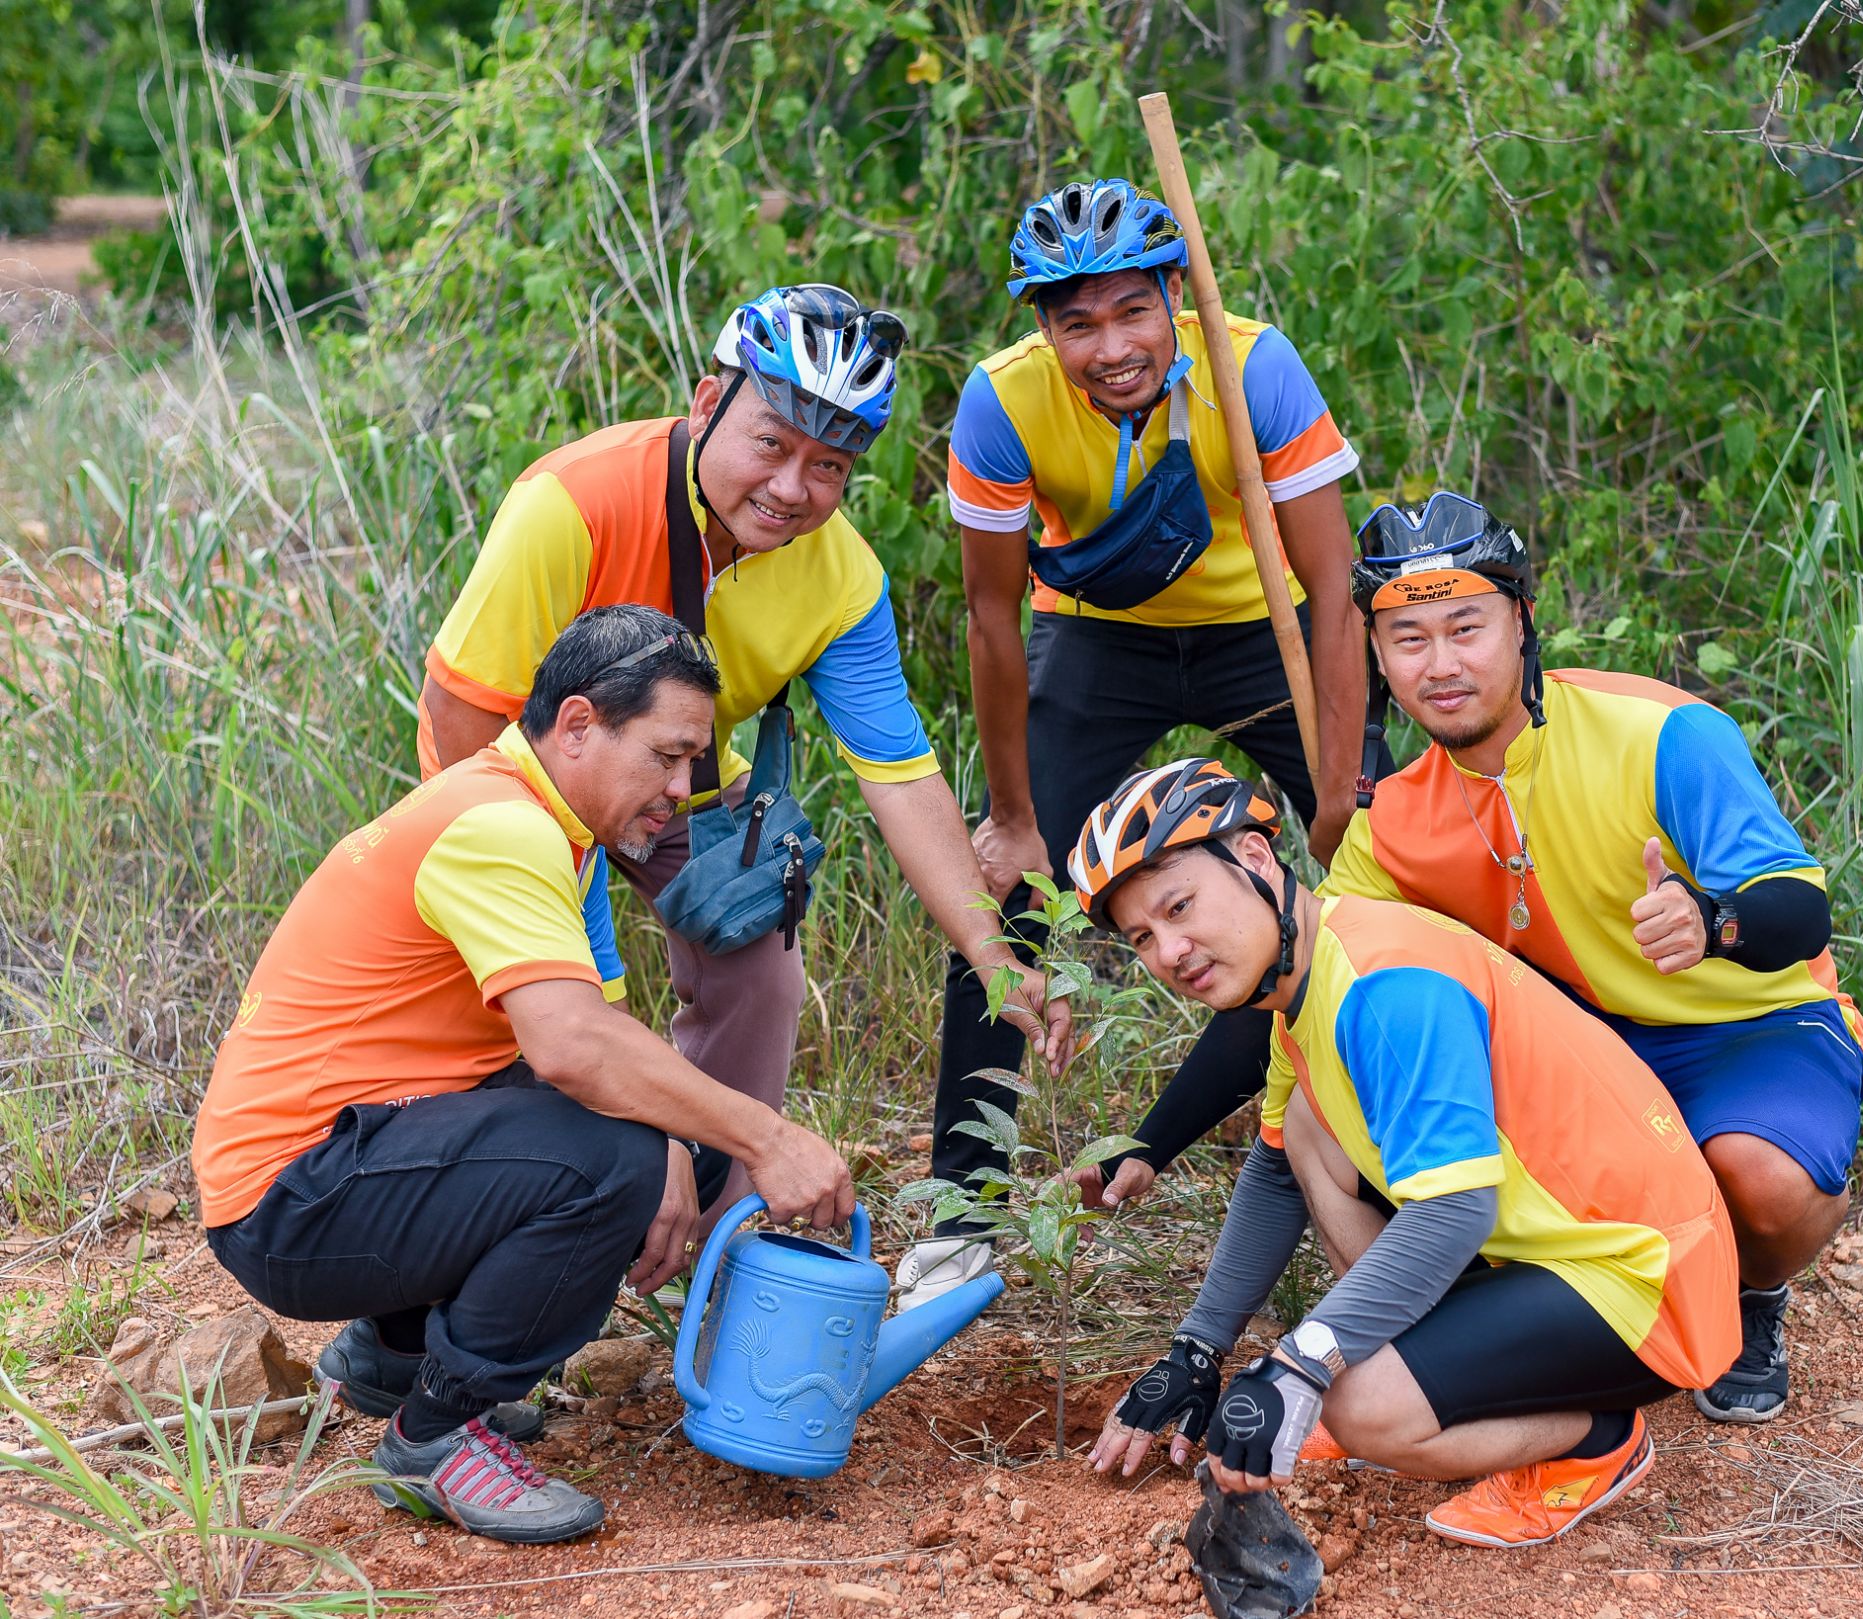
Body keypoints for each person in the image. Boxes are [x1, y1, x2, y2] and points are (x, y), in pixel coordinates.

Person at [195, 607, 858, 1544]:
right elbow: (570, 1047)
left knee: (675, 1144)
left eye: (691, 764)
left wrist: (695, 1133)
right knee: (622, 1159)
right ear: (579, 723)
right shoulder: (503, 826)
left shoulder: (528, 811)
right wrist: (768, 1134)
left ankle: (394, 1355)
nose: (680, 790)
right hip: (291, 1199)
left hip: (336, 1161)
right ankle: (439, 1433)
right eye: (666, 756)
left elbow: (556, 1049)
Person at [417, 285, 1069, 1228]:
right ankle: (525, 1229)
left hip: (681, 788)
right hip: (516, 783)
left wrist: (991, 950)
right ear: (705, 403)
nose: (793, 488)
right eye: (770, 442)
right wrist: (556, 923)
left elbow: (901, 772)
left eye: (830, 464)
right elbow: (461, 710)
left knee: (758, 968)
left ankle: (705, 1232)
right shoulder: (574, 502)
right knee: (535, 1016)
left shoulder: (843, 578)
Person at [901, 178, 1370, 1307]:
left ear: (1174, 293)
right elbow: (990, 615)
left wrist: (1346, 786)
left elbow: (1333, 590)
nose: (1108, 347)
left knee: (1374, 869)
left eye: (1131, 313)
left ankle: (1369, 1145)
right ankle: (961, 1212)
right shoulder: (1000, 403)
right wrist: (1013, 817)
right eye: (1075, 322)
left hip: (1260, 632)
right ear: (1039, 325)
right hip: (1096, 637)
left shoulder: (1251, 365)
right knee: (1008, 888)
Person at [1071, 759, 1740, 1548]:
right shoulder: (1302, 986)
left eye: (1180, 905)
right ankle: (1429, 1377)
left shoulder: (1386, 986)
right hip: (1549, 1254)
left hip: (1646, 1276)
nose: (1172, 950)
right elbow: (1279, 1174)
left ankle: (1596, 1440)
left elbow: (1456, 1208)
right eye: (1144, 936)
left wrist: (1302, 1363)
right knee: (1304, 1136)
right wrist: (1197, 1345)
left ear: (1254, 859)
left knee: (1355, 1405)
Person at [1322, 491, 1863, 1424]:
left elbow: (1801, 910)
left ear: (1523, 621)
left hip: (1750, 1022)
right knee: (1369, 1119)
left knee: (1761, 1178)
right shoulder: (1389, 826)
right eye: (1408, 638)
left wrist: (1713, 920)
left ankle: (1752, 1289)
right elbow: (1307, 975)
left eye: (1467, 626)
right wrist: (1152, 1146)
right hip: (1591, 1047)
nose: (1442, 664)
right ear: (1378, 658)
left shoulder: (1658, 730)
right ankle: (1512, 1322)